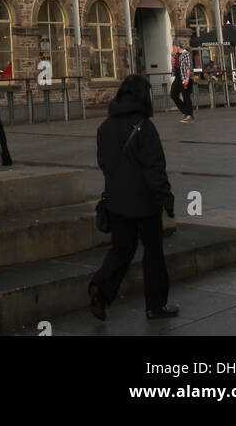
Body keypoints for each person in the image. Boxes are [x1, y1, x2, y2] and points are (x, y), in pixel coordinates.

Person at [88, 73, 179, 322]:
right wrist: (166, 198)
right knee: (153, 253)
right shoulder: (143, 126)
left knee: (122, 249)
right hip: (144, 202)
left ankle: (101, 288)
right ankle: (156, 304)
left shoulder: (105, 127)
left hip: (116, 201)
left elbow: (103, 163)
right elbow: (154, 168)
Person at [170, 44, 195, 123]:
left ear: (178, 47)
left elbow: (188, 67)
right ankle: (185, 110)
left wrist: (187, 78)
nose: (173, 49)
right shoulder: (176, 55)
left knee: (185, 95)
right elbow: (173, 65)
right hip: (177, 77)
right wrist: (172, 56)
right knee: (173, 94)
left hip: (184, 77)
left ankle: (189, 115)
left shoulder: (186, 54)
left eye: (174, 47)